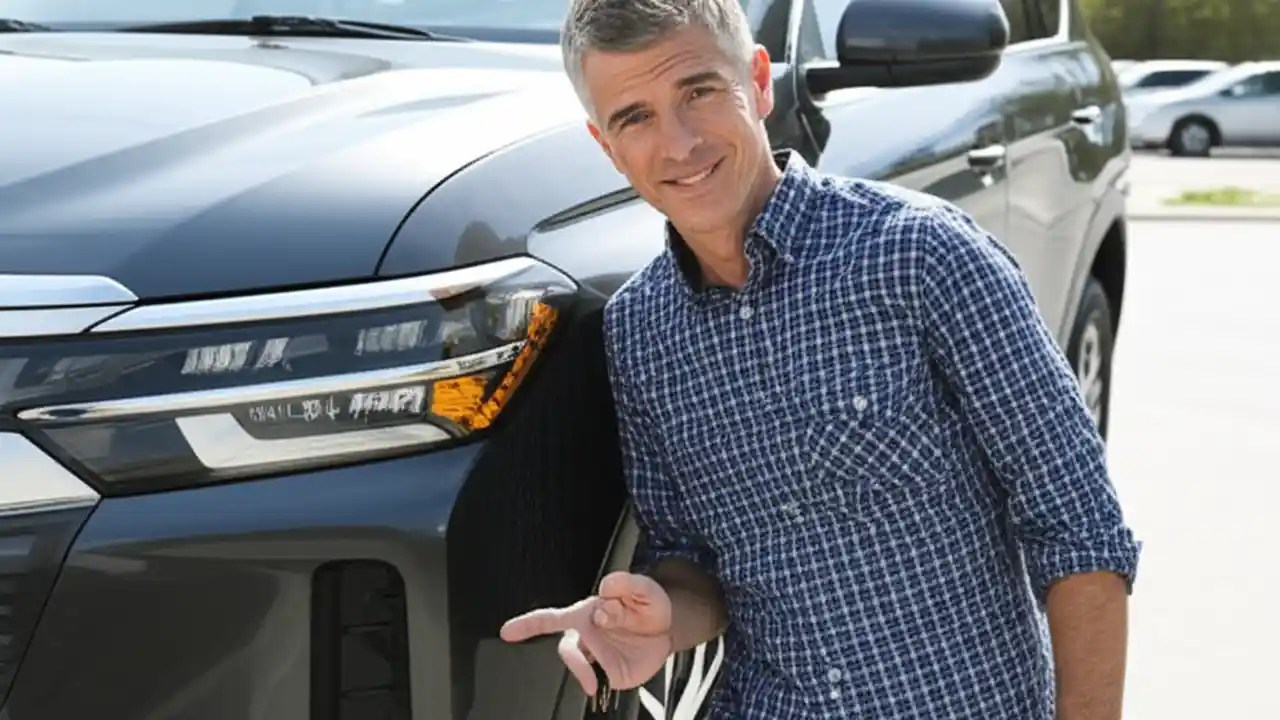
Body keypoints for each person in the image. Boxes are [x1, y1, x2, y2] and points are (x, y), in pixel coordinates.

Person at [501, 1, 1142, 718]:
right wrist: (661, 618)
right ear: (607, 145)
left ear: (759, 82)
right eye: (635, 118)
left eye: (699, 92)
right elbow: (691, 561)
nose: (677, 143)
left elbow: (1078, 524)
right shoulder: (639, 330)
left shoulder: (922, 255)